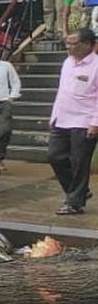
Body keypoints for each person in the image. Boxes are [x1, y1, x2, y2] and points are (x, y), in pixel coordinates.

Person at [48, 29, 98, 215]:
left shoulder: (96, 65)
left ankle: (75, 203)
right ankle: (80, 192)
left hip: (84, 121)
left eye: (72, 43)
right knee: (55, 157)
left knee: (79, 162)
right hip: (62, 118)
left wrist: (95, 123)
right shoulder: (68, 62)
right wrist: (54, 115)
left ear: (86, 44)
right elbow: (62, 91)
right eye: (67, 43)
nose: (68, 47)